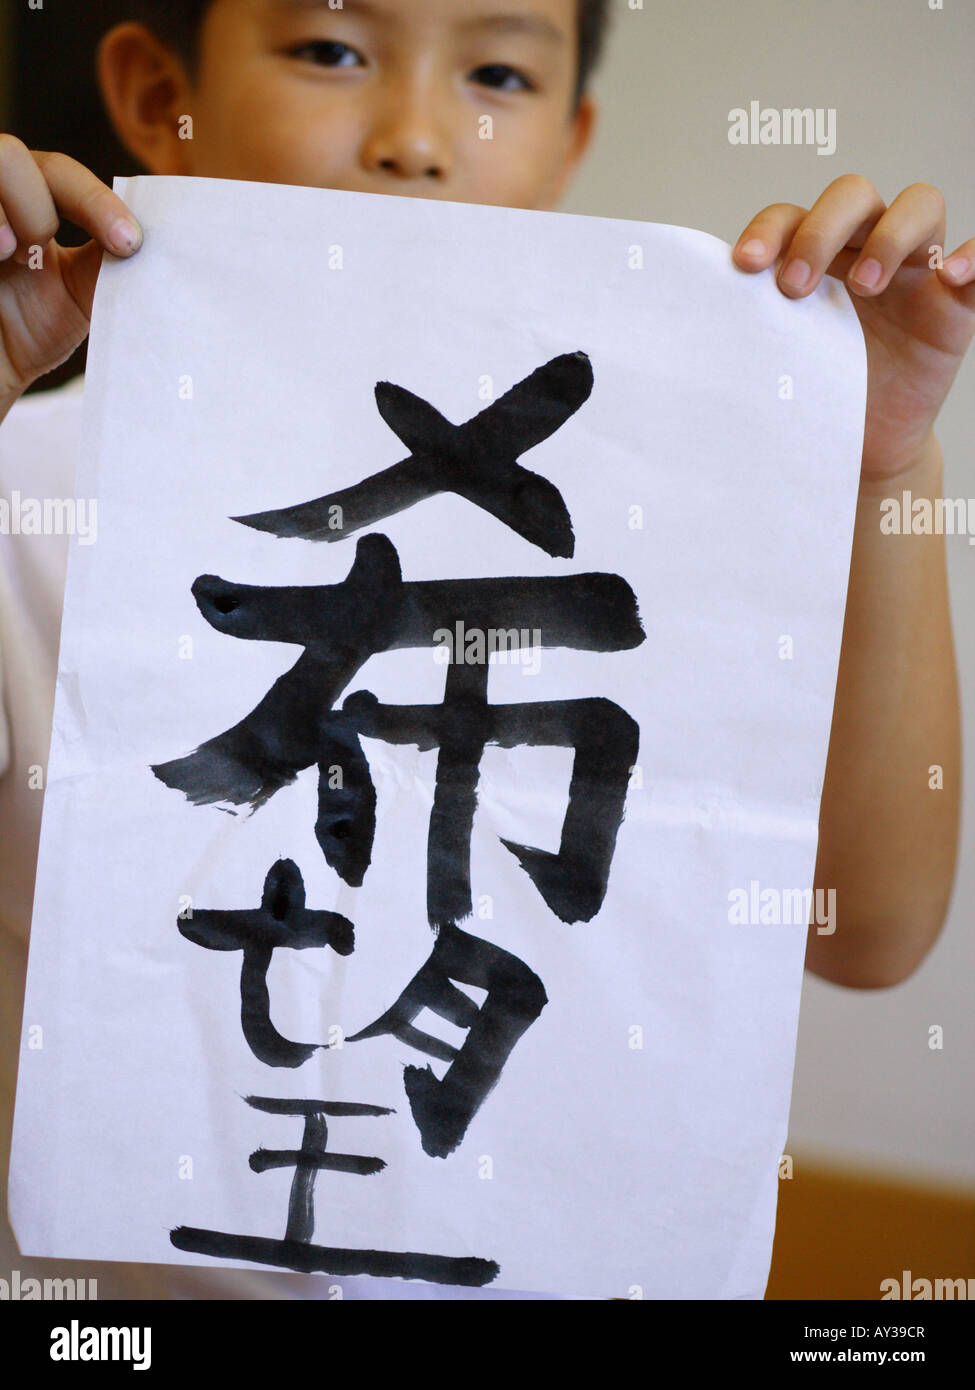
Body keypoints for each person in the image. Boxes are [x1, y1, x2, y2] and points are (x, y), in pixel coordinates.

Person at [0, 0, 971, 1300]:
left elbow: (867, 934)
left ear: (570, 139)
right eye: (331, 49)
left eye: (498, 72)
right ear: (152, 90)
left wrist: (879, 466)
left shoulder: (666, 514)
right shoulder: (33, 482)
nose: (415, 138)